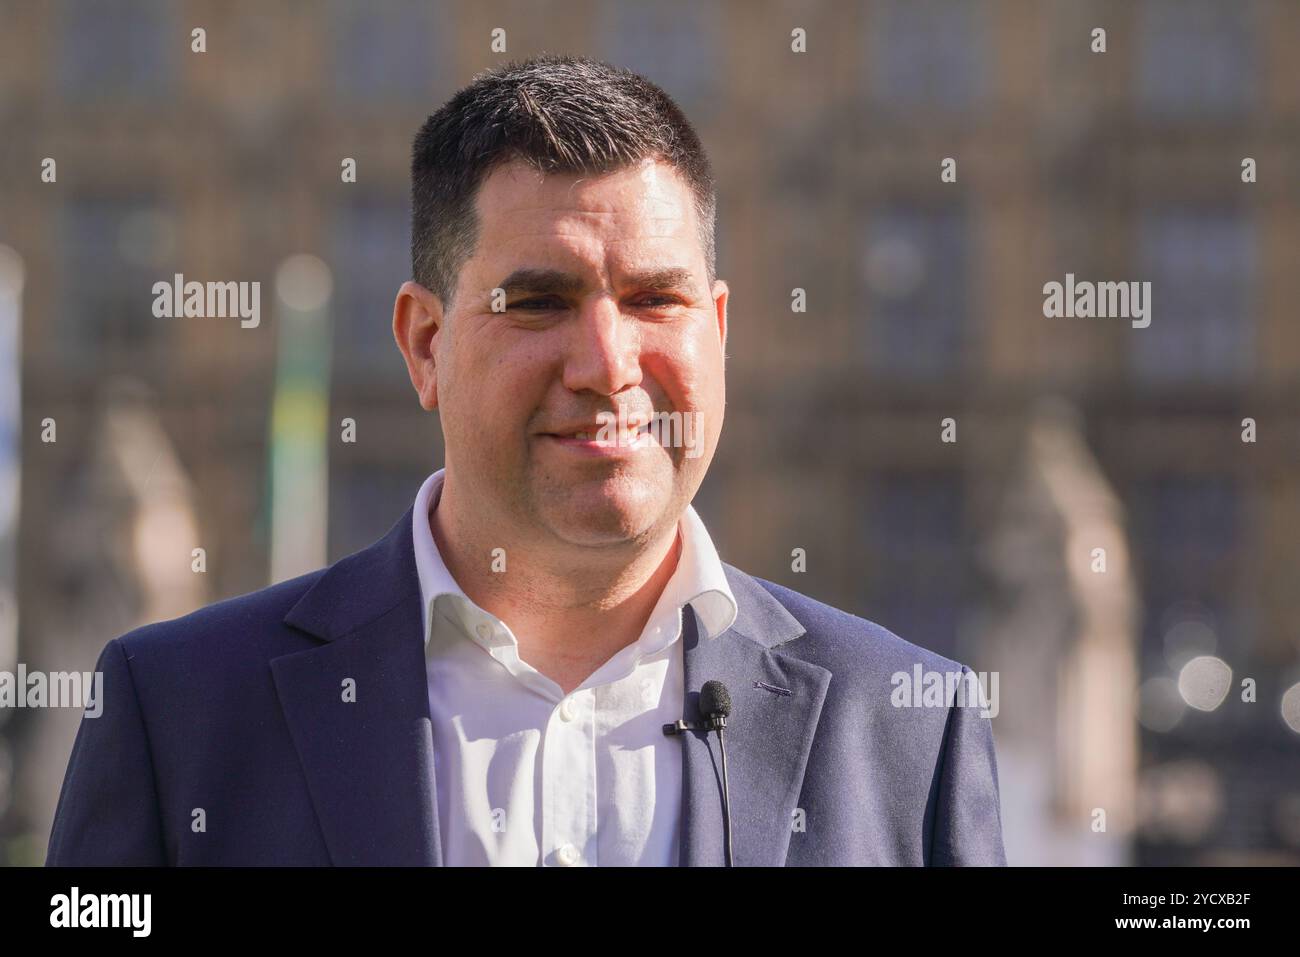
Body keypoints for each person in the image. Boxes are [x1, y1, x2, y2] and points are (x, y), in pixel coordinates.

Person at [47, 54, 1006, 866]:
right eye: (539, 302)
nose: (606, 364)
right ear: (425, 344)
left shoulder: (908, 729)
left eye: (654, 300)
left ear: (719, 329)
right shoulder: (178, 716)